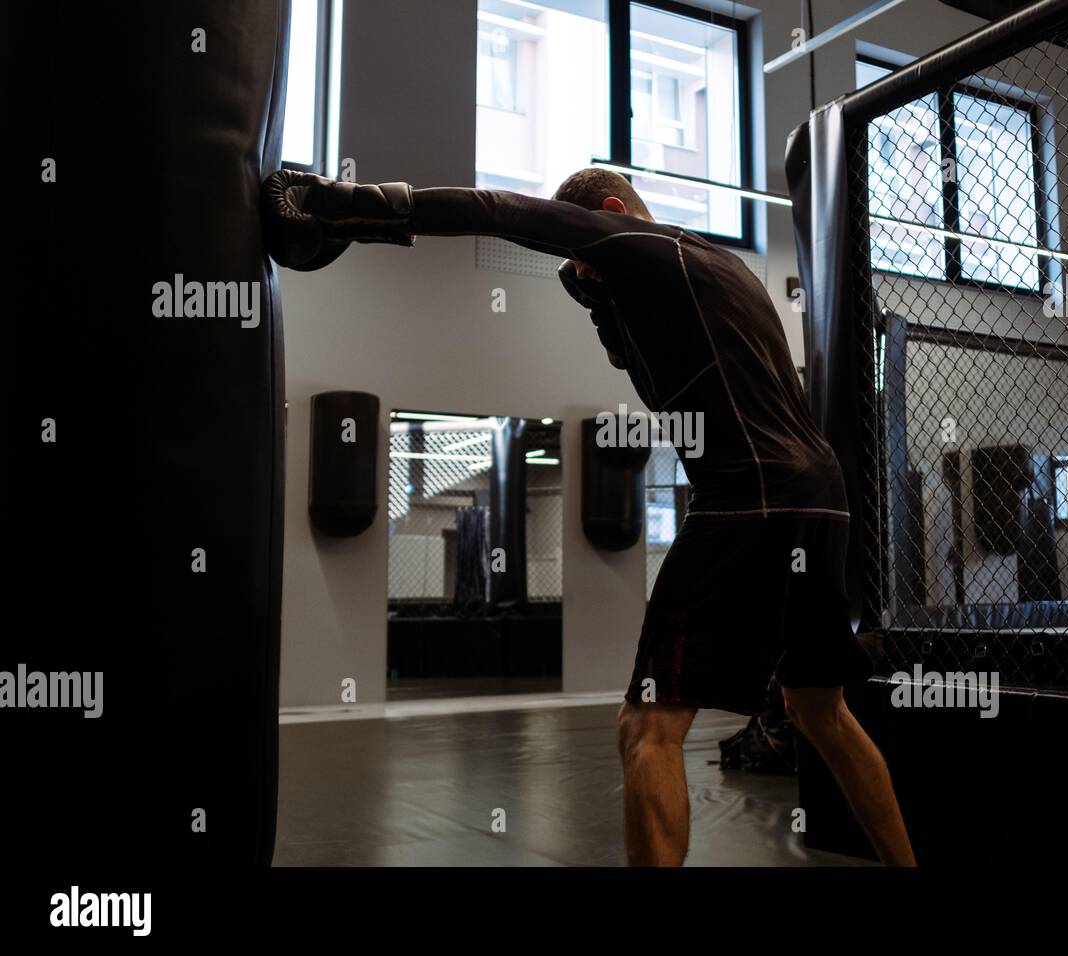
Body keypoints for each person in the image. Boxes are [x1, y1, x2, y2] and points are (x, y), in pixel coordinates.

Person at [264, 166, 916, 867]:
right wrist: (596, 297)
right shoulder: (722, 267)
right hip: (821, 498)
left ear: (610, 214)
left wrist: (356, 207)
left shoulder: (637, 243)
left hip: (746, 497)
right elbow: (631, 359)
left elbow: (495, 210)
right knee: (821, 710)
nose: (587, 270)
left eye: (586, 255)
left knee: (647, 725)